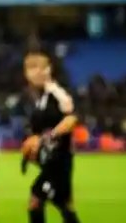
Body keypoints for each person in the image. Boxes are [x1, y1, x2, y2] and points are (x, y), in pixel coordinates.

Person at [21, 51, 83, 223]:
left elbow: (71, 118)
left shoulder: (57, 92)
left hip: (59, 162)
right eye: (30, 69)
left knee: (35, 201)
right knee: (64, 204)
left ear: (48, 70)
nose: (35, 73)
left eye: (39, 68)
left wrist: (45, 137)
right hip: (50, 160)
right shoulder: (39, 97)